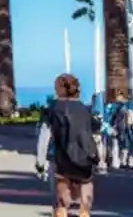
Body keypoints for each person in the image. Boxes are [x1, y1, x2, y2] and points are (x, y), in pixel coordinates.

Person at [36, 74, 99, 217]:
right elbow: (95, 134)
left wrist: (40, 162)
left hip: (60, 159)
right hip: (85, 158)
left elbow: (44, 136)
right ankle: (84, 212)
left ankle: (62, 211)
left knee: (61, 202)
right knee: (85, 191)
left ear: (58, 88)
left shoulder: (52, 109)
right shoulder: (85, 109)